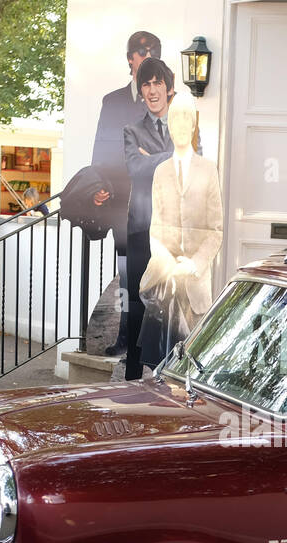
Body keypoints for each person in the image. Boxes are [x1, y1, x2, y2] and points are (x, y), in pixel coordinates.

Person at [138, 91, 222, 368]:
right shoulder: (160, 171)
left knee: (192, 365)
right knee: (158, 366)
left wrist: (194, 265)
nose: (182, 126)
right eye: (176, 120)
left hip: (195, 287)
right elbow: (156, 227)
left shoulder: (209, 170)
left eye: (187, 120)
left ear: (194, 125)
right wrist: (167, 261)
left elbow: (215, 230)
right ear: (170, 127)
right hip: (166, 284)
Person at [91, 30, 159, 355]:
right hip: (121, 206)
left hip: (155, 207)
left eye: (153, 51)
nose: (147, 56)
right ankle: (124, 338)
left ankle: (149, 342)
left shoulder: (166, 102)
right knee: (124, 275)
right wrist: (98, 186)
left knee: (153, 275)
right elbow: (101, 150)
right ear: (131, 58)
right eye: (142, 51)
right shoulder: (113, 101)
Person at [121, 57, 177, 380]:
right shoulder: (131, 131)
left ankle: (166, 379)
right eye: (146, 84)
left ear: (169, 88)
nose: (152, 90)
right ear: (140, 92)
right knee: (138, 306)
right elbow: (136, 170)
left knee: (172, 308)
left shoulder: (186, 127)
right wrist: (171, 157)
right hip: (142, 228)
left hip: (175, 230)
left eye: (158, 83)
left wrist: (155, 159)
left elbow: (192, 166)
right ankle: (132, 379)